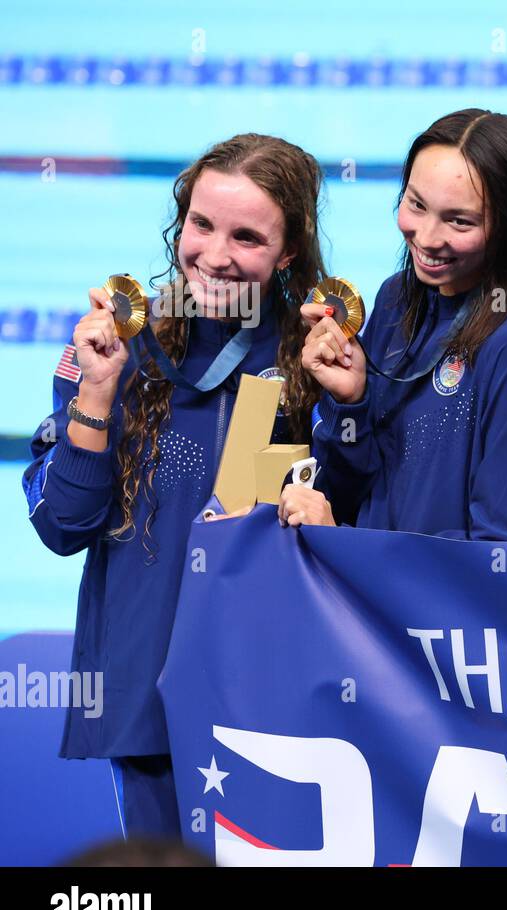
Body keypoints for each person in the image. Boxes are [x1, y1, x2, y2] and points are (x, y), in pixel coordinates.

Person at [23, 133, 326, 836]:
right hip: (145, 702)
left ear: (287, 253)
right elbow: (61, 527)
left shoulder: (309, 368)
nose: (214, 254)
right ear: (180, 220)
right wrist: (96, 397)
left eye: (247, 236)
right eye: (201, 224)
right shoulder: (112, 350)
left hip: (269, 705)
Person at [283, 109, 507, 538]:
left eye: (459, 220)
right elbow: (347, 492)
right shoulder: (398, 300)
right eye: (416, 204)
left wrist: (350, 549)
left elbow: (499, 553)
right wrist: (351, 403)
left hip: (428, 603)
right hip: (365, 598)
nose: (428, 237)